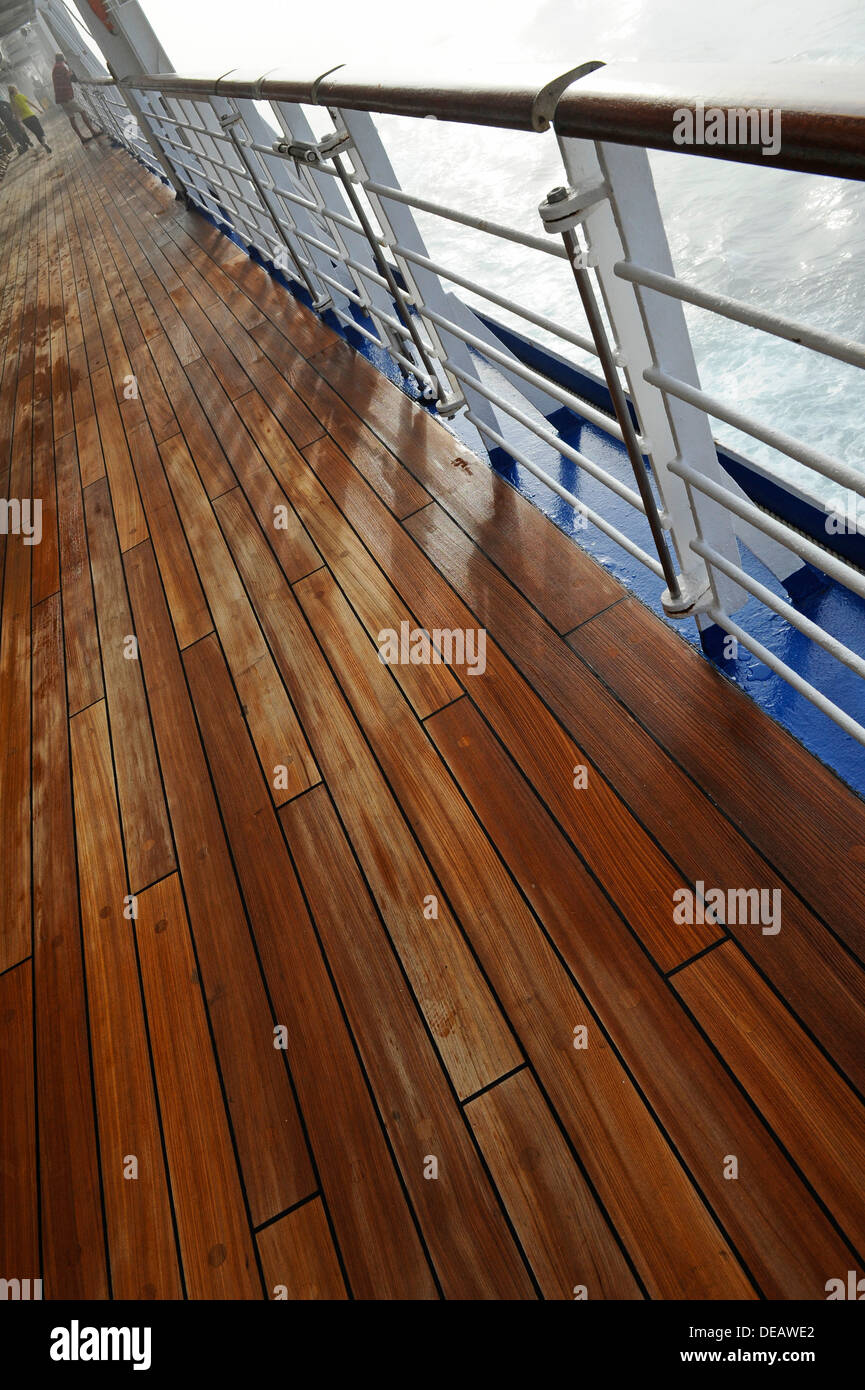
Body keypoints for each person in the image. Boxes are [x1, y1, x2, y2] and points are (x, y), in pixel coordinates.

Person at [51, 54, 102, 143]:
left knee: (71, 118)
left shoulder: (55, 68)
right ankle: (93, 131)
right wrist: (69, 67)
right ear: (63, 58)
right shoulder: (62, 67)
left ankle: (81, 137)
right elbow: (71, 77)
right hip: (66, 96)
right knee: (82, 111)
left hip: (60, 98)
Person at [8, 85, 52, 155]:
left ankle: (44, 146)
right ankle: (45, 143)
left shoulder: (12, 103)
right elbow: (31, 103)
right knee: (40, 131)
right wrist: (38, 109)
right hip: (31, 116)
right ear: (15, 90)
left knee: (36, 133)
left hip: (25, 120)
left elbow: (16, 115)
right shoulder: (21, 96)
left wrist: (20, 123)